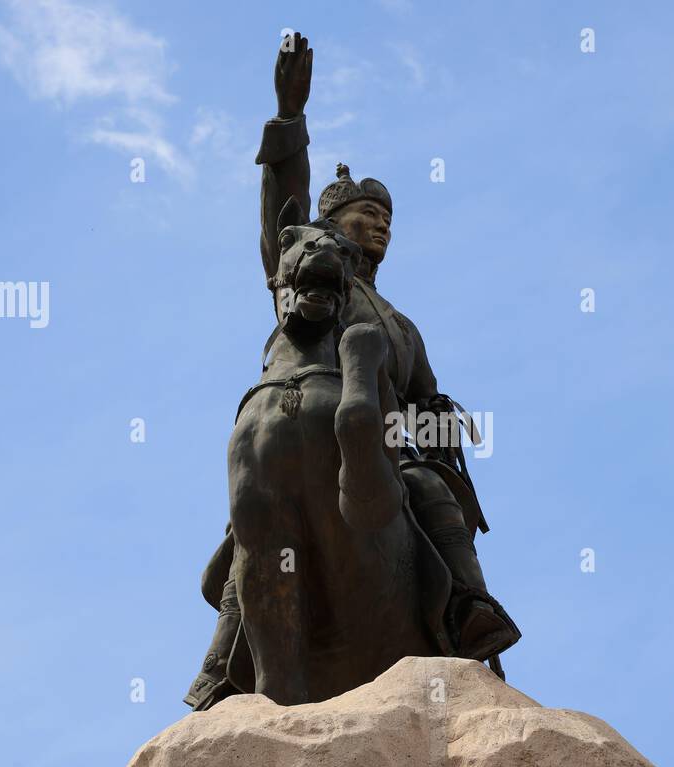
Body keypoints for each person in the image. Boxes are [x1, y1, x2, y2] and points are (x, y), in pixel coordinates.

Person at [184, 32, 519, 710]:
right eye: (370, 214)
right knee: (250, 527)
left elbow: (423, 400)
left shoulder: (402, 326)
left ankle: (468, 608)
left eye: (389, 218)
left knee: (431, 489)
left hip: (380, 449)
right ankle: (224, 663)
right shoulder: (306, 264)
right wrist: (289, 117)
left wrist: (442, 418)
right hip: (295, 404)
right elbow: (284, 196)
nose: (382, 226)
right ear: (335, 219)